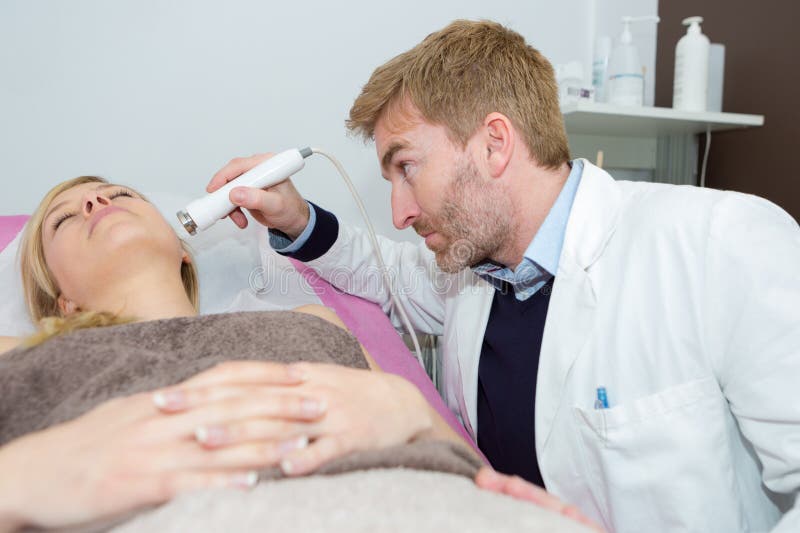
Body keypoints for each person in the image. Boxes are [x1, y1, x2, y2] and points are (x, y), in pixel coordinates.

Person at [207, 19, 800, 532]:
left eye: (408, 167)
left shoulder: (719, 244)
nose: (400, 212)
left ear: (494, 144)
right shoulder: (473, 279)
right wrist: (296, 217)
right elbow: (384, 271)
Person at [0, 176, 599, 532]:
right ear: (63, 304)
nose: (97, 203)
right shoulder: (18, 358)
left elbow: (431, 445)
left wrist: (419, 419)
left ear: (185, 250)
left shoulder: (308, 322)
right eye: (62, 219)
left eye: (118, 193)